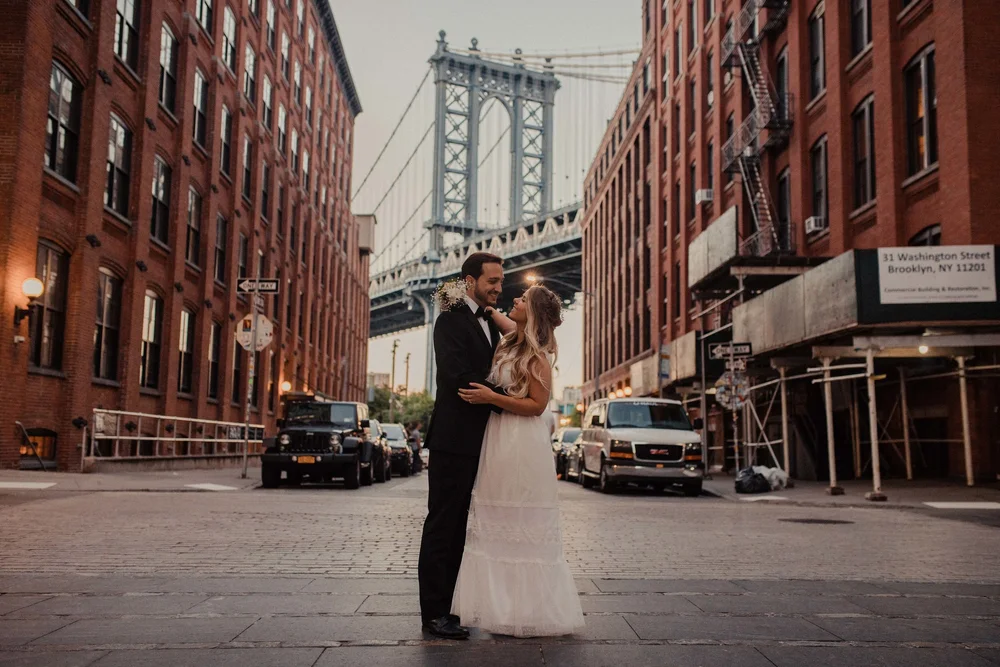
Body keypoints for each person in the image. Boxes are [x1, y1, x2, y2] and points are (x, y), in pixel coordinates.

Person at [451, 285, 585, 638]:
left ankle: (528, 610)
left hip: (521, 443)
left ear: (534, 312)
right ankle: (502, 608)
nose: (514, 299)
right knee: (497, 519)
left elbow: (537, 406)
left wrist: (491, 397)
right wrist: (458, 293)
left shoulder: (537, 355)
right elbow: (487, 311)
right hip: (497, 440)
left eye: (522, 299)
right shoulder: (511, 341)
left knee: (520, 518)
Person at [417, 252, 505, 640]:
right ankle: (434, 613)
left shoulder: (488, 322)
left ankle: (450, 608)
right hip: (454, 441)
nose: (499, 288)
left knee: (459, 528)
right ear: (470, 281)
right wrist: (509, 394)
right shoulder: (449, 321)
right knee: (443, 525)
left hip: (481, 441)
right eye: (493, 281)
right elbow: (458, 376)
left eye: (502, 281)